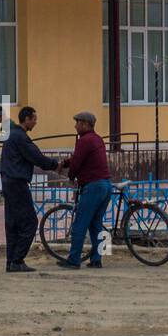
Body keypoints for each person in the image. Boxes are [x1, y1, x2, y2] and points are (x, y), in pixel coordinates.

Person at [0, 106, 60, 273]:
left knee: (12, 225)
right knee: (30, 222)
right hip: (18, 183)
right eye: (34, 119)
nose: (35, 122)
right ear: (26, 119)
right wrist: (56, 165)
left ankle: (11, 262)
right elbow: (37, 157)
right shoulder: (21, 137)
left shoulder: (11, 136)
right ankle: (17, 260)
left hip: (8, 183)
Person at [59, 111, 111, 269]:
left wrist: (70, 177)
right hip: (105, 185)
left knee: (80, 224)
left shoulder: (84, 140)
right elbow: (78, 158)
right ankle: (96, 260)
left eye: (78, 123)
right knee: (96, 224)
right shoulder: (97, 139)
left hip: (93, 186)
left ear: (86, 124)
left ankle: (74, 259)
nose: (76, 126)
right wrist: (66, 163)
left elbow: (77, 162)